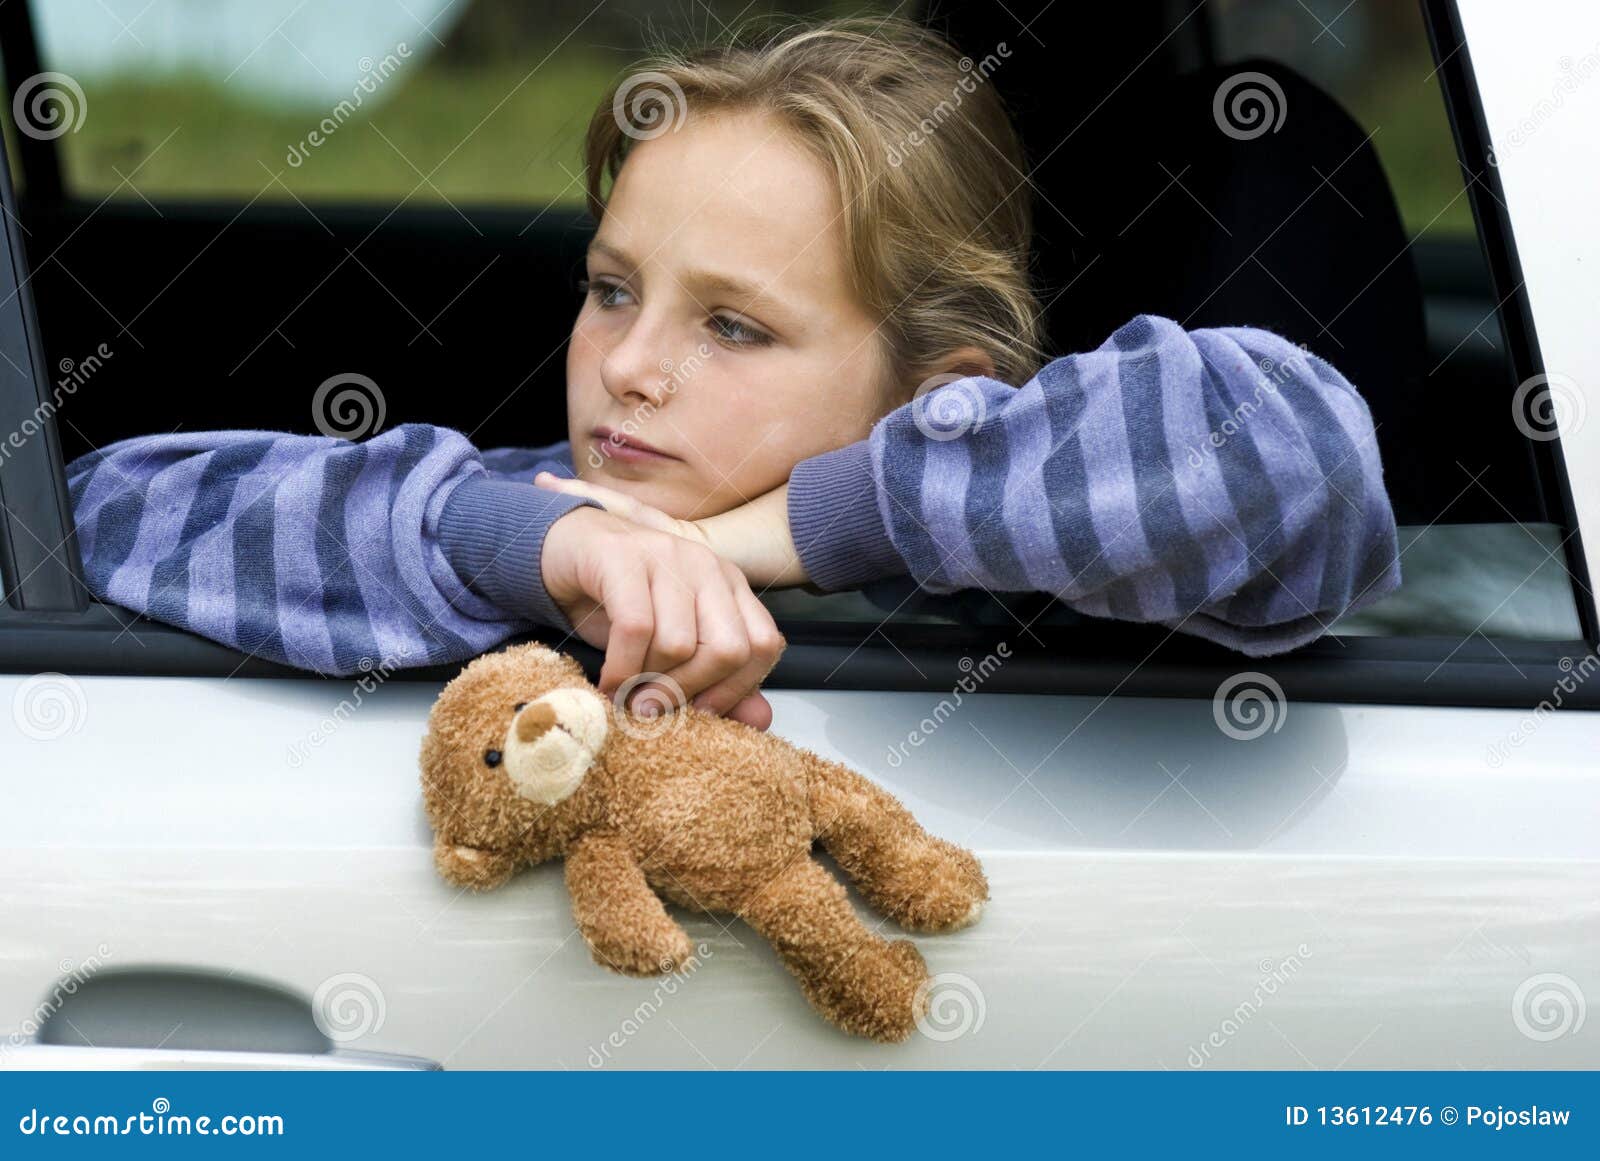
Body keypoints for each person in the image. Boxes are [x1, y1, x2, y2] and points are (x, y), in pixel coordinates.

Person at [65, 18, 1400, 730]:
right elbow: (100, 511)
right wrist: (519, 542)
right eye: (610, 289)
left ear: (942, 388)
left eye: (735, 327)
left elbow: (1284, 449)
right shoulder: (537, 517)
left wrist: (802, 532)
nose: (628, 367)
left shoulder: (1061, 538)